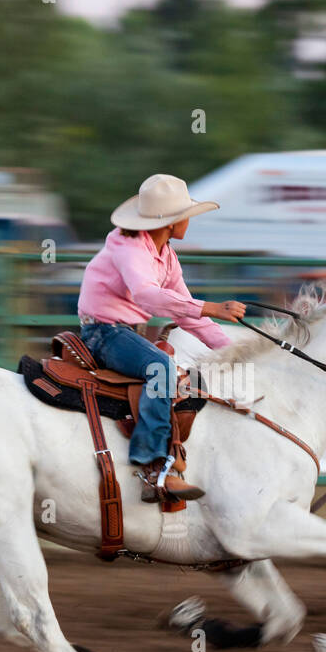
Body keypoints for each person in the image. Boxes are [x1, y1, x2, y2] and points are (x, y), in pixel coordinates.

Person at [77, 173, 246, 502]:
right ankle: (153, 466)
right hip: (103, 331)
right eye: (187, 216)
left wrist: (234, 351)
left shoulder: (164, 255)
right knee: (162, 369)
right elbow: (147, 296)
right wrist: (212, 307)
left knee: (179, 377)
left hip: (122, 332)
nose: (189, 222)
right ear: (171, 221)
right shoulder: (128, 247)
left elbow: (184, 311)